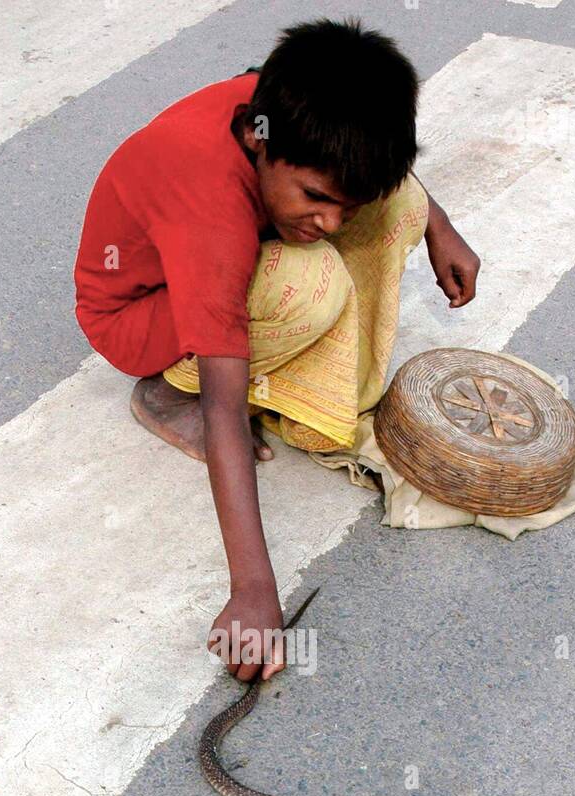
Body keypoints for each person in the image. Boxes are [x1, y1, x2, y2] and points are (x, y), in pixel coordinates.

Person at [74, 18, 480, 679]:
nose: (328, 221)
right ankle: (165, 391)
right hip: (138, 314)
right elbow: (226, 406)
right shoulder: (211, 212)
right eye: (317, 198)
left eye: (339, 206)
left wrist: (440, 227)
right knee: (308, 283)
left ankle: (322, 391)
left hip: (215, 252)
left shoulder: (281, 106)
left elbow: (379, 180)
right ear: (252, 139)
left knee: (399, 201)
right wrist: (255, 592)